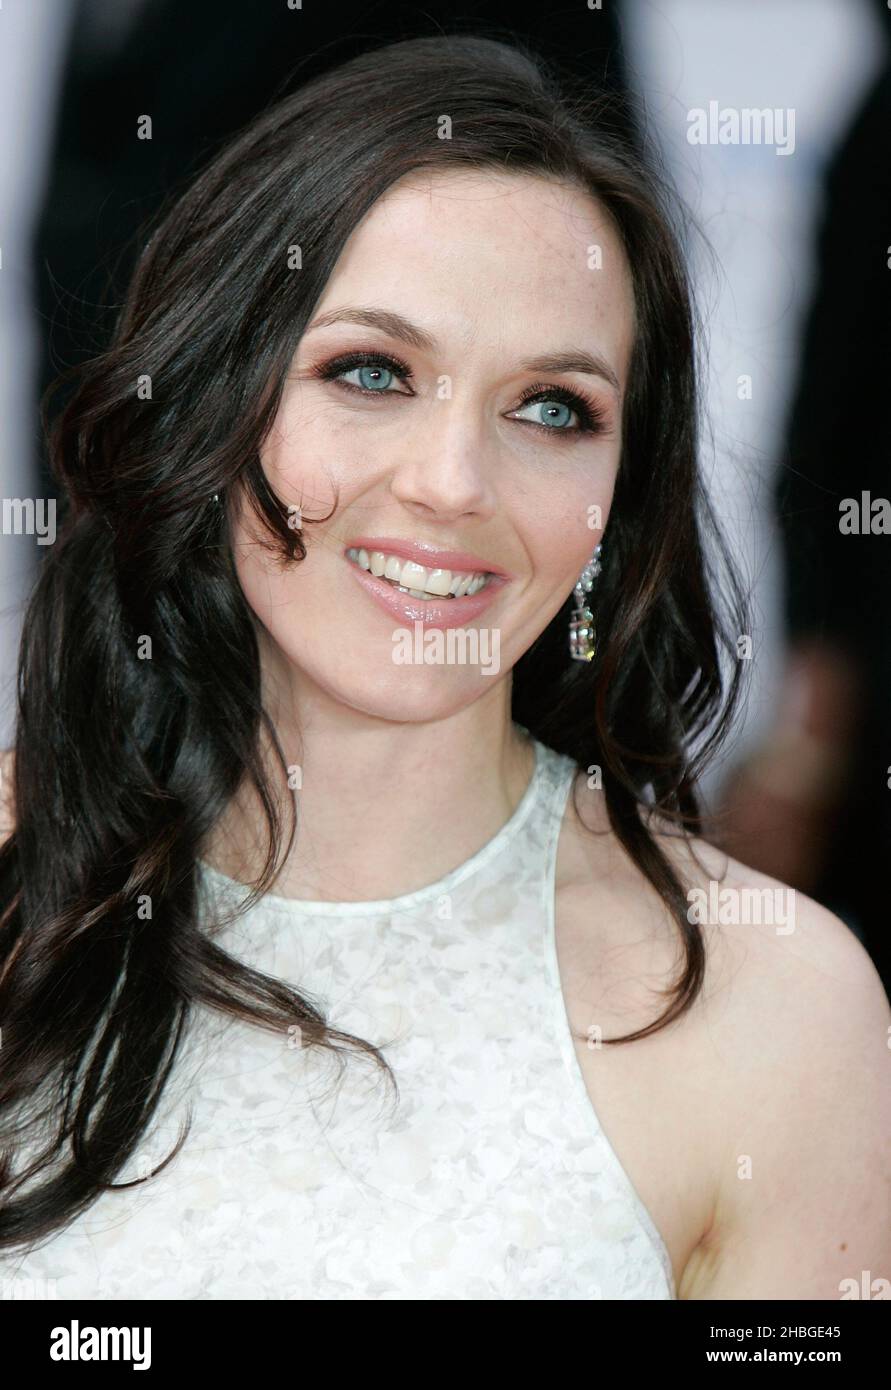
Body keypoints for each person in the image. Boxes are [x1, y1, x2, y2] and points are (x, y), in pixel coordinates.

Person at [0, 34, 888, 1302]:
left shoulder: (776, 1011)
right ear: (213, 400)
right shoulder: (18, 882)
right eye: (372, 373)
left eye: (552, 408)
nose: (453, 484)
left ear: (622, 496)